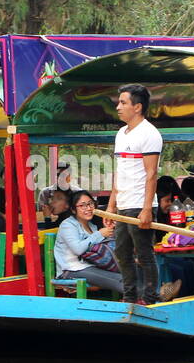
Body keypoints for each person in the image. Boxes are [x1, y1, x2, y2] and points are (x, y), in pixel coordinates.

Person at [110, 83, 162, 306]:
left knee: (144, 254)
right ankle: (130, 297)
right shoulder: (121, 133)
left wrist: (147, 209)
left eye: (123, 102)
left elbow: (151, 174)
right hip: (123, 202)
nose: (118, 107)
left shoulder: (149, 133)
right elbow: (119, 171)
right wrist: (111, 205)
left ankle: (150, 299)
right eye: (119, 102)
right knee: (121, 252)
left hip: (140, 203)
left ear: (137, 107)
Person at [54, 190, 123, 294]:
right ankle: (142, 302)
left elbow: (101, 248)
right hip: (71, 270)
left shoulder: (92, 226)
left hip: (90, 267)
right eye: (82, 205)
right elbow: (78, 249)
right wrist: (100, 234)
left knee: (130, 273)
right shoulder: (67, 225)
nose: (89, 208)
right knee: (121, 280)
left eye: (90, 203)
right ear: (73, 209)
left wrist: (111, 230)